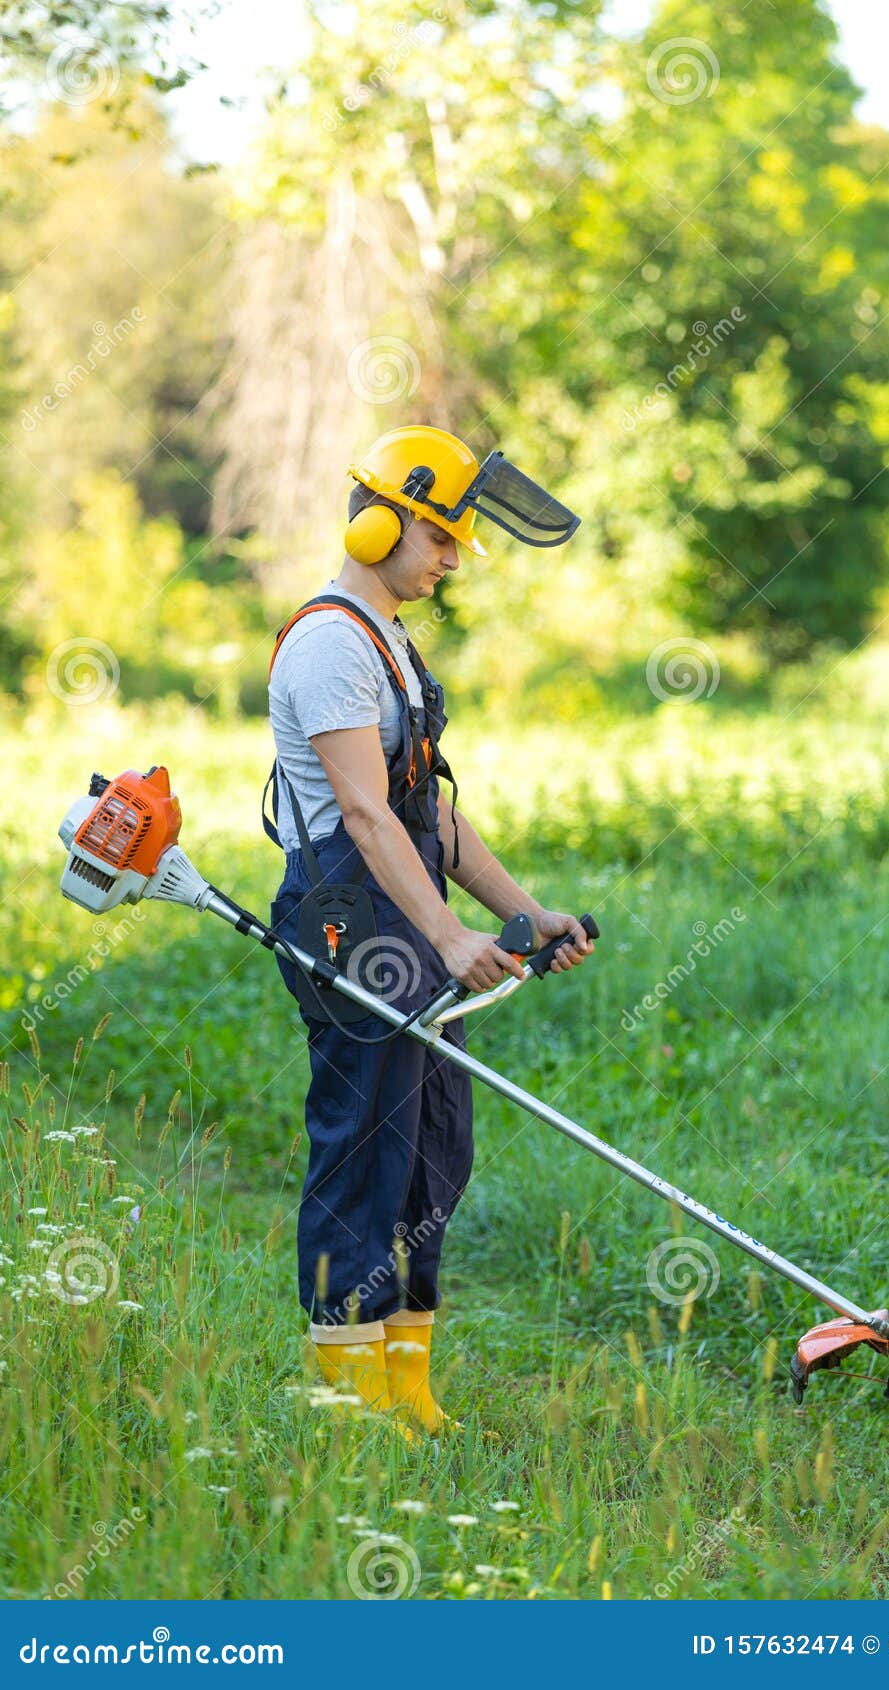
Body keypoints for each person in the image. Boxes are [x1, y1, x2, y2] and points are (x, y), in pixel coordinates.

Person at [263, 423, 593, 1437]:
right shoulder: (327, 645)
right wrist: (449, 939)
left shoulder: (390, 645)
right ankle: (344, 1393)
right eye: (441, 537)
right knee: (365, 1146)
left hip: (401, 909)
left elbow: (425, 813)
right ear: (379, 522)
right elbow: (361, 815)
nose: (451, 559)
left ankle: (407, 1382)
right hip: (348, 920)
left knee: (432, 1152)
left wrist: (516, 910)